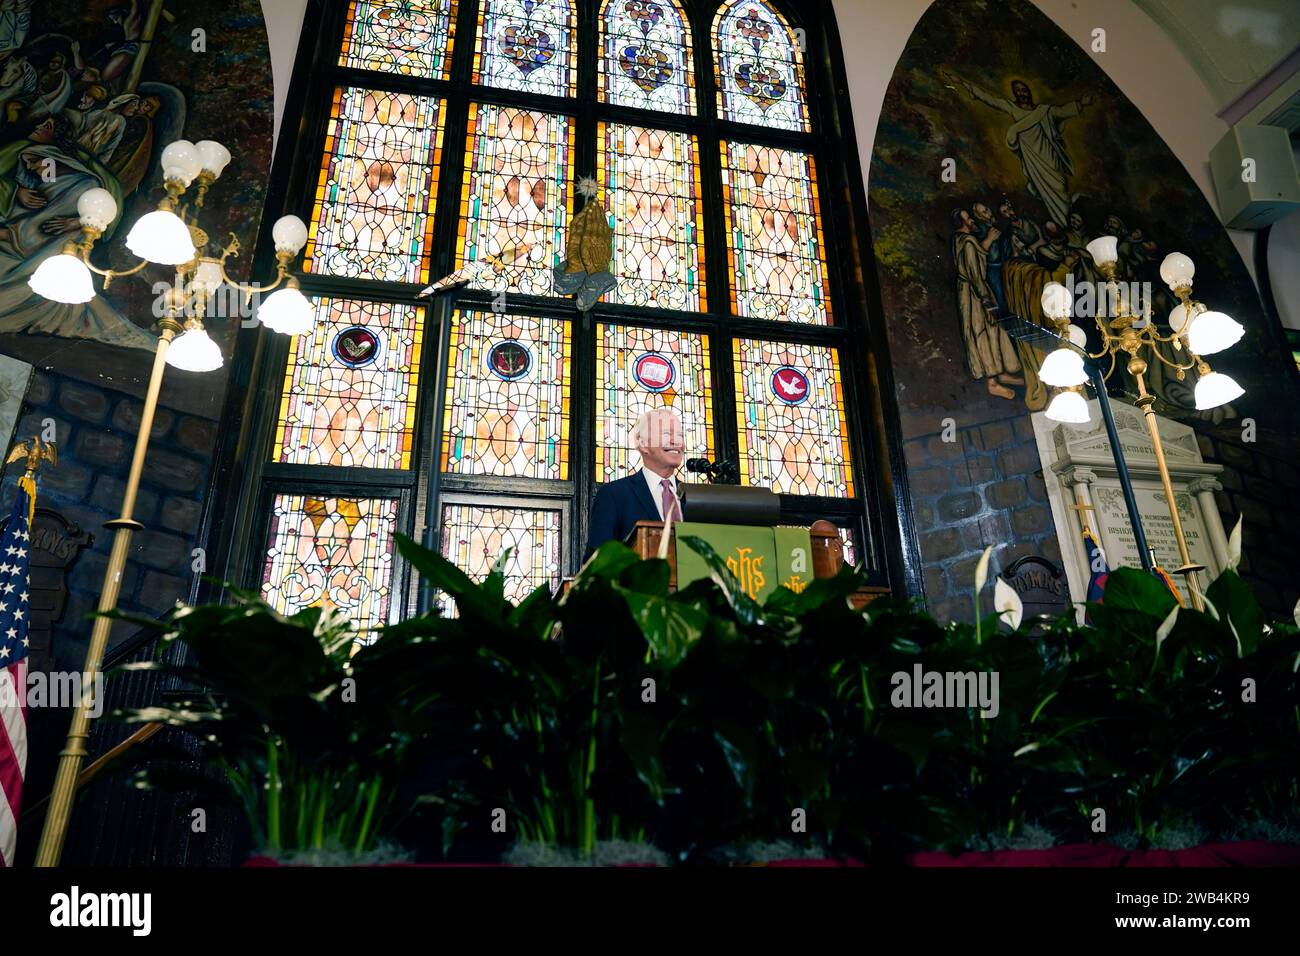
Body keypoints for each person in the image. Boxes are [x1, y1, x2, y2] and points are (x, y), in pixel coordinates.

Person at [586, 407, 686, 556]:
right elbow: (597, 564)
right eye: (666, 433)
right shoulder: (614, 495)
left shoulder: (695, 497)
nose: (676, 441)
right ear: (643, 443)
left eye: (680, 435)